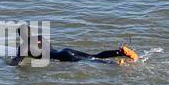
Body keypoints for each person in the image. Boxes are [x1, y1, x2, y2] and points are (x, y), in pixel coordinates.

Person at [9, 30, 139, 65]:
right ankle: (120, 52)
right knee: (94, 56)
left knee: (92, 61)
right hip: (65, 50)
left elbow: (15, 62)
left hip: (63, 58)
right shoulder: (39, 37)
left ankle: (115, 64)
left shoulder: (24, 47)